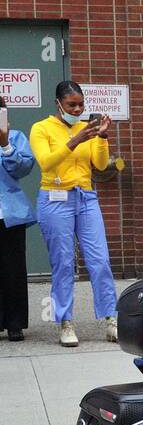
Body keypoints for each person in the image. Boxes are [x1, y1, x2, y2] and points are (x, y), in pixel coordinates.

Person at [29, 80, 118, 347]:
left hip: (86, 197)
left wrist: (101, 137)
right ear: (58, 103)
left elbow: (101, 165)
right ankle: (66, 321)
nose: (78, 109)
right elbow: (46, 162)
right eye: (72, 105)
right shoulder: (41, 129)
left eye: (81, 104)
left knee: (100, 260)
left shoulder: (87, 129)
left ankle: (110, 318)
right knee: (64, 263)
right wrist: (76, 139)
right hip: (55, 198)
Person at [0, 97, 37, 341]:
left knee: (13, 269)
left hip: (9, 213)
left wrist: (5, 144)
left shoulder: (16, 137)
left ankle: (15, 323)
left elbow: (23, 169)